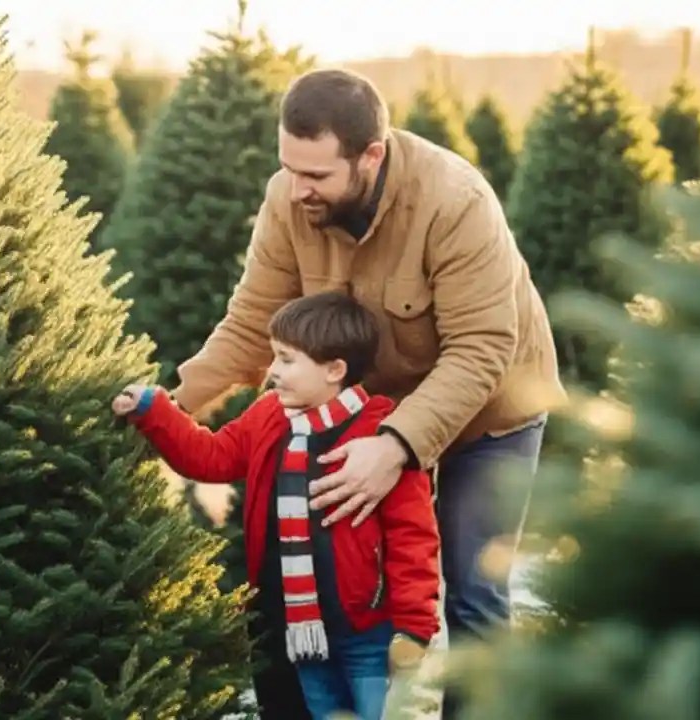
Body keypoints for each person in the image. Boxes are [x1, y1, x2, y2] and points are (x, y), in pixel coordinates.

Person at [168, 67, 565, 719]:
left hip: (489, 415)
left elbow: (482, 349)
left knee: (472, 590)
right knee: (331, 582)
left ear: (371, 156)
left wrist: (398, 445)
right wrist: (172, 406)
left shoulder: (454, 201)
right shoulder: (286, 200)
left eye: (316, 175)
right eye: (289, 169)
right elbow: (250, 324)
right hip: (364, 417)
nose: (297, 190)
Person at [112, 291, 441, 720]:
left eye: (287, 360)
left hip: (368, 633)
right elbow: (208, 456)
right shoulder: (267, 417)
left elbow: (412, 537)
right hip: (302, 632)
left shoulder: (379, 437)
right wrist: (155, 410)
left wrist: (415, 627)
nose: (272, 373)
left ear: (334, 370)